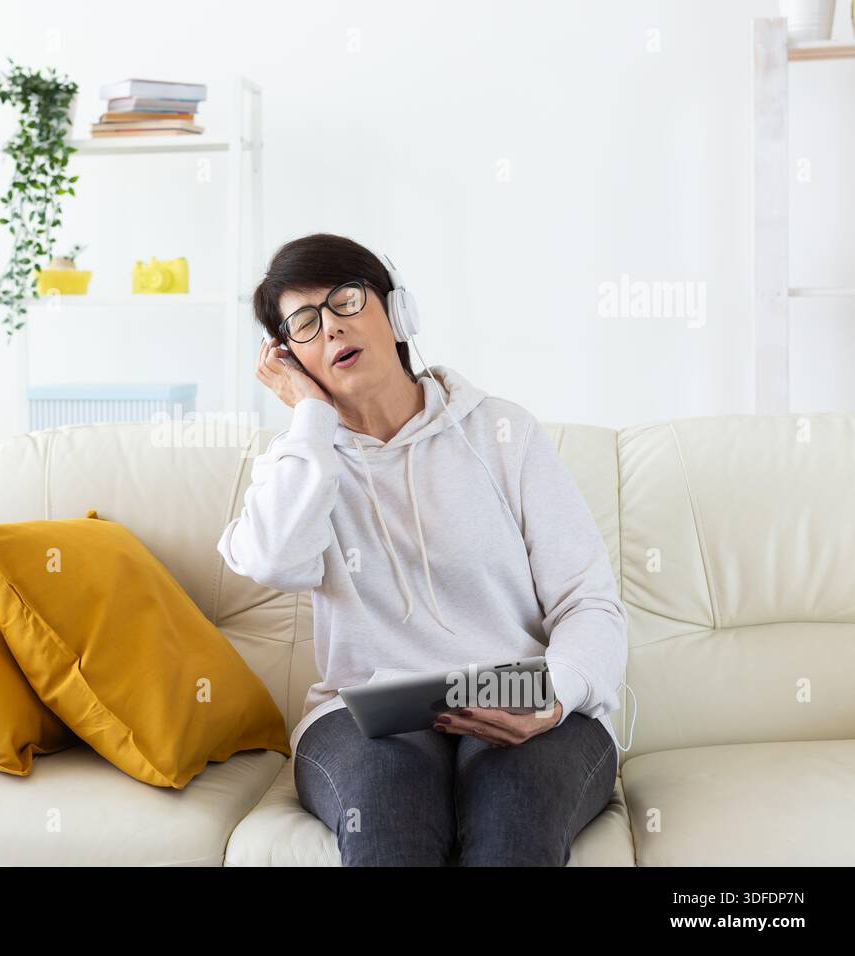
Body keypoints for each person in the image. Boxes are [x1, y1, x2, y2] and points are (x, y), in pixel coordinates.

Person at [216, 232, 626, 866]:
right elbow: (272, 560)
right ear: (290, 358)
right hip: (363, 715)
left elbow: (589, 603)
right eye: (303, 322)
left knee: (513, 806)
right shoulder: (300, 462)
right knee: (388, 805)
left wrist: (555, 696)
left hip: (522, 692)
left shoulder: (502, 433)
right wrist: (312, 422)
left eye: (345, 300)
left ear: (395, 311)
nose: (330, 330)